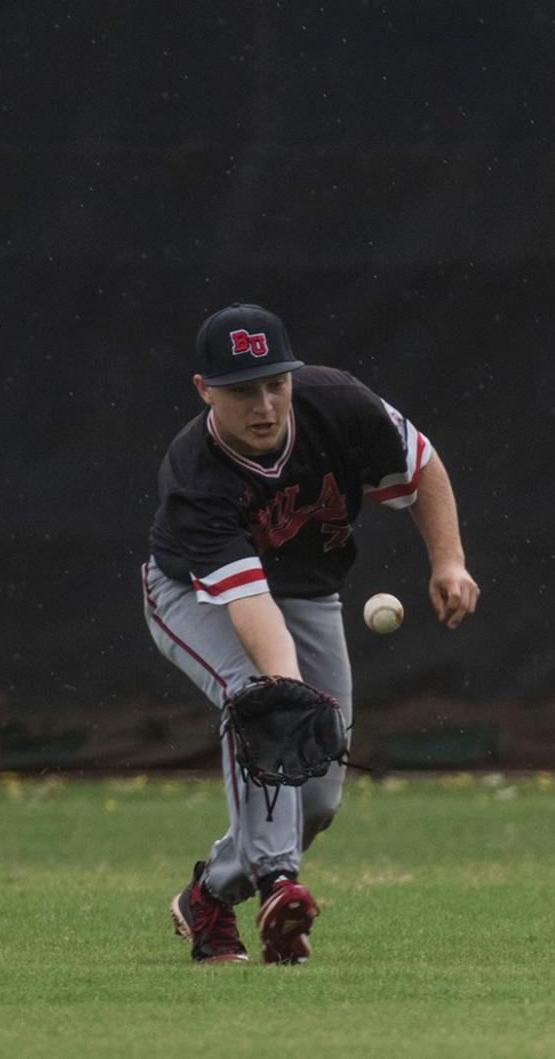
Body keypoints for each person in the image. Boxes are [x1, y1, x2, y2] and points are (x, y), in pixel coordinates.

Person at [140, 303, 479, 965]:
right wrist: (286, 693)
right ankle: (277, 886)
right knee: (261, 702)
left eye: (276, 384)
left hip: (308, 589)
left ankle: (210, 893)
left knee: (317, 797)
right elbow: (249, 604)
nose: (265, 405)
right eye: (243, 390)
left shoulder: (340, 404)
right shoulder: (195, 473)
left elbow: (422, 465)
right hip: (194, 594)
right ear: (204, 390)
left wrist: (449, 560)